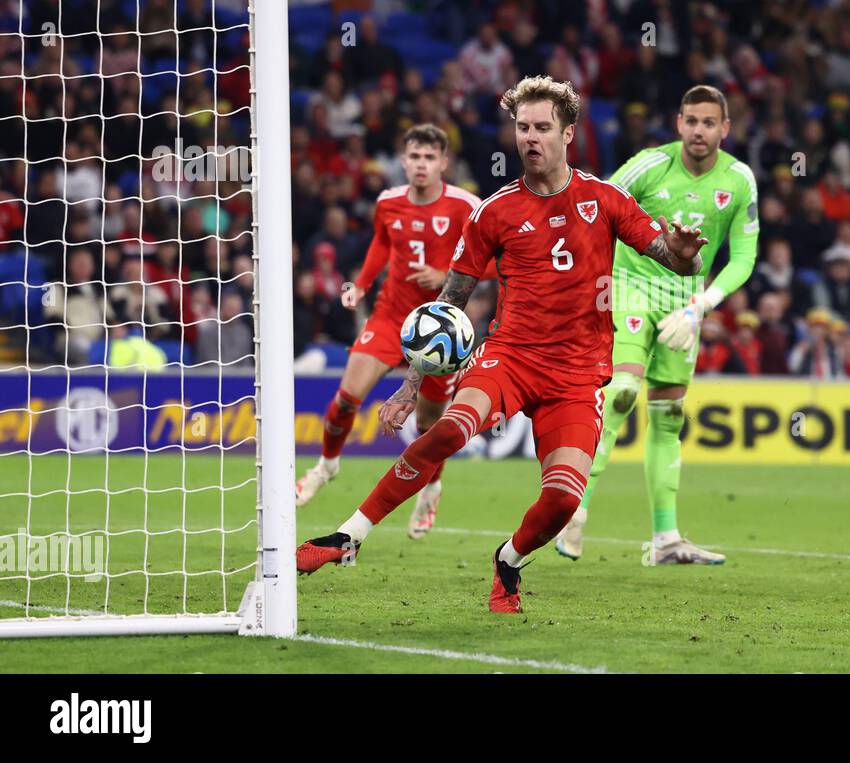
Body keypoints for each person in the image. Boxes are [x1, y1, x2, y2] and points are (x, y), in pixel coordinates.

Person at [296, 76, 707, 613]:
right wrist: (410, 386)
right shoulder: (493, 212)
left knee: (562, 499)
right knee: (447, 429)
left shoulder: (605, 200)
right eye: (522, 127)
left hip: (578, 375)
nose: (530, 137)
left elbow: (676, 259)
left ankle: (509, 561)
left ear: (568, 133)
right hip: (510, 357)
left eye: (542, 128)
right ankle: (347, 537)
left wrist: (686, 253)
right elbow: (450, 304)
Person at [555, 84, 759, 565]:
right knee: (622, 392)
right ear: (678, 124)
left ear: (725, 129)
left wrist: (700, 306)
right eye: (691, 121)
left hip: (683, 304)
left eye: (709, 123)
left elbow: (745, 256)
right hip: (628, 288)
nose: (699, 131)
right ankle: (573, 514)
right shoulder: (651, 164)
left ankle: (665, 539)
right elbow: (596, 206)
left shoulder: (741, 180)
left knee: (669, 419)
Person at [293, 125, 481, 544]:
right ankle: (326, 466)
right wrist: (360, 284)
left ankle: (431, 489)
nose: (421, 165)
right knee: (345, 397)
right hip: (391, 318)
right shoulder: (388, 202)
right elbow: (381, 243)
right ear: (404, 159)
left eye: (430, 158)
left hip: (440, 328)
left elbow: (491, 258)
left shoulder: (466, 206)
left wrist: (443, 275)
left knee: (433, 425)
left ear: (444, 163)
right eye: (414, 156)